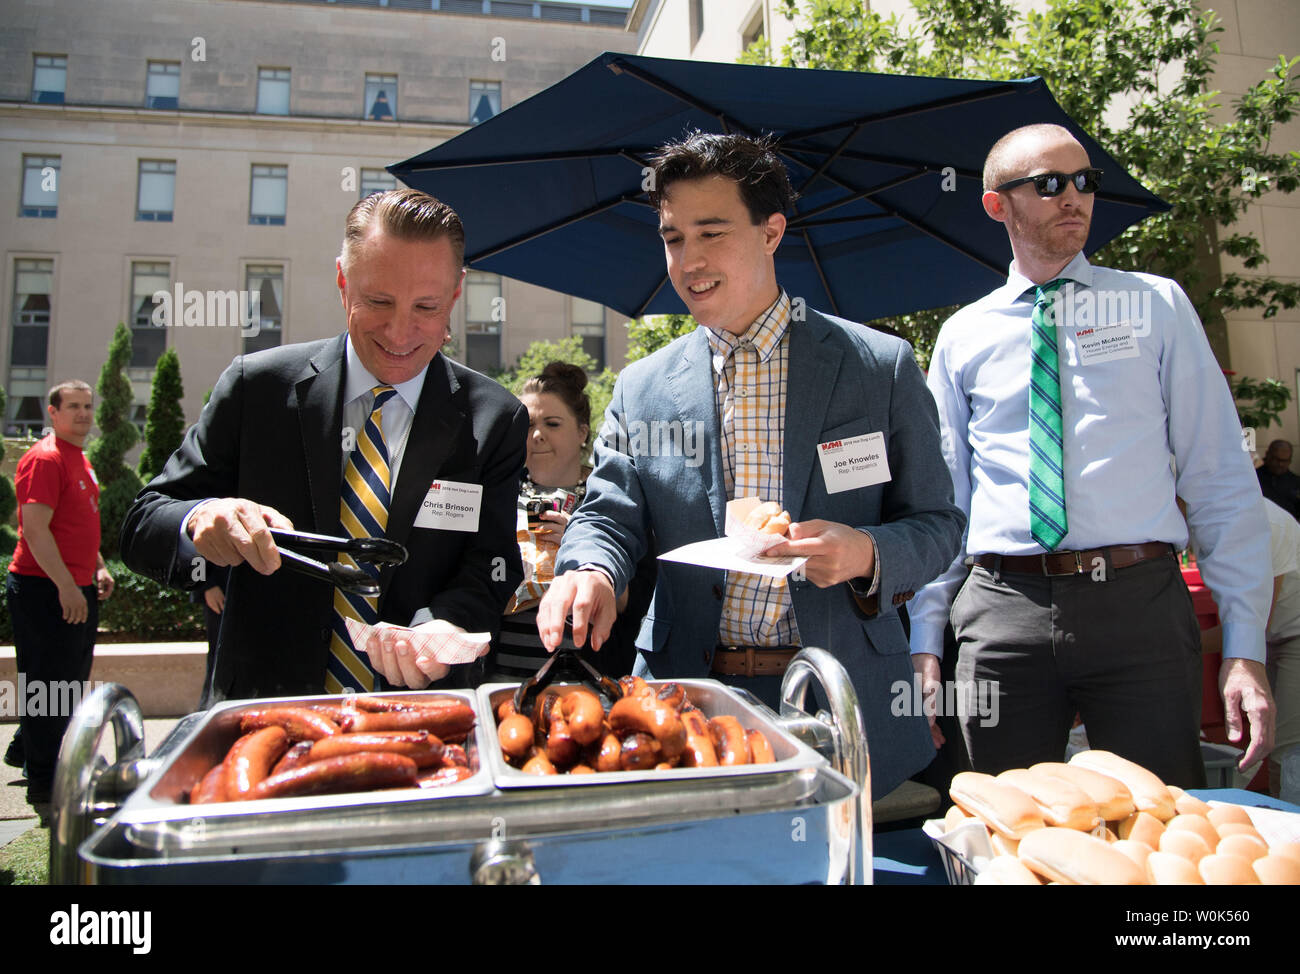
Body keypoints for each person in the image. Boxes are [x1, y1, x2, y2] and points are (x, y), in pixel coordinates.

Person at [536, 132, 965, 800]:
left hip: (841, 691)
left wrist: (865, 552)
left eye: (712, 233)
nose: (690, 260)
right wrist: (590, 570)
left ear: (772, 233)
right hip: (688, 697)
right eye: (674, 238)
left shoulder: (878, 367)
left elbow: (941, 525)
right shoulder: (643, 387)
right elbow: (608, 516)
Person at [909, 123, 1274, 787]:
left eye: (1085, 181)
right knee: (1004, 826)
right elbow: (943, 503)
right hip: (1001, 611)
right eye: (1049, 185)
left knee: (1159, 832)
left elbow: (1220, 478)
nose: (1073, 196)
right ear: (999, 205)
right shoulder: (962, 337)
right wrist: (923, 640)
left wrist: (1246, 649)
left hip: (1139, 607)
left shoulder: (1156, 305)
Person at [121, 189, 527, 704]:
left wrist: (440, 628)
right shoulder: (257, 388)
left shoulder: (495, 417)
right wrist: (200, 517)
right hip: (265, 712)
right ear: (342, 282)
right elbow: (141, 525)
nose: (400, 332)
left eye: (426, 306)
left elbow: (491, 564)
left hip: (425, 718)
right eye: (378, 301)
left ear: (455, 293)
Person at [485, 361, 650, 682]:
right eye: (528, 424)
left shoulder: (614, 502)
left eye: (552, 424)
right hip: (503, 680)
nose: (537, 435)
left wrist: (584, 553)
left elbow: (641, 603)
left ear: (582, 432)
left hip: (590, 682)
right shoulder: (496, 496)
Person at [5, 380, 114, 810]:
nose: (84, 414)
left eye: (88, 406)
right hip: (44, 589)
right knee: (49, 686)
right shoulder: (45, 458)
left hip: (75, 586)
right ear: (52, 412)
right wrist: (66, 587)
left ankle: (24, 751)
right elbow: (34, 529)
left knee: (65, 683)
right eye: (73, 406)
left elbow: (78, 523)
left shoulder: (78, 458)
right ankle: (45, 787)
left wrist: (99, 566)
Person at [1258, 439, 1300, 521]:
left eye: (1284, 461)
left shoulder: (1296, 482)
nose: (1280, 464)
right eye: (1277, 460)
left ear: (1290, 460)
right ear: (1267, 455)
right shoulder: (1255, 478)